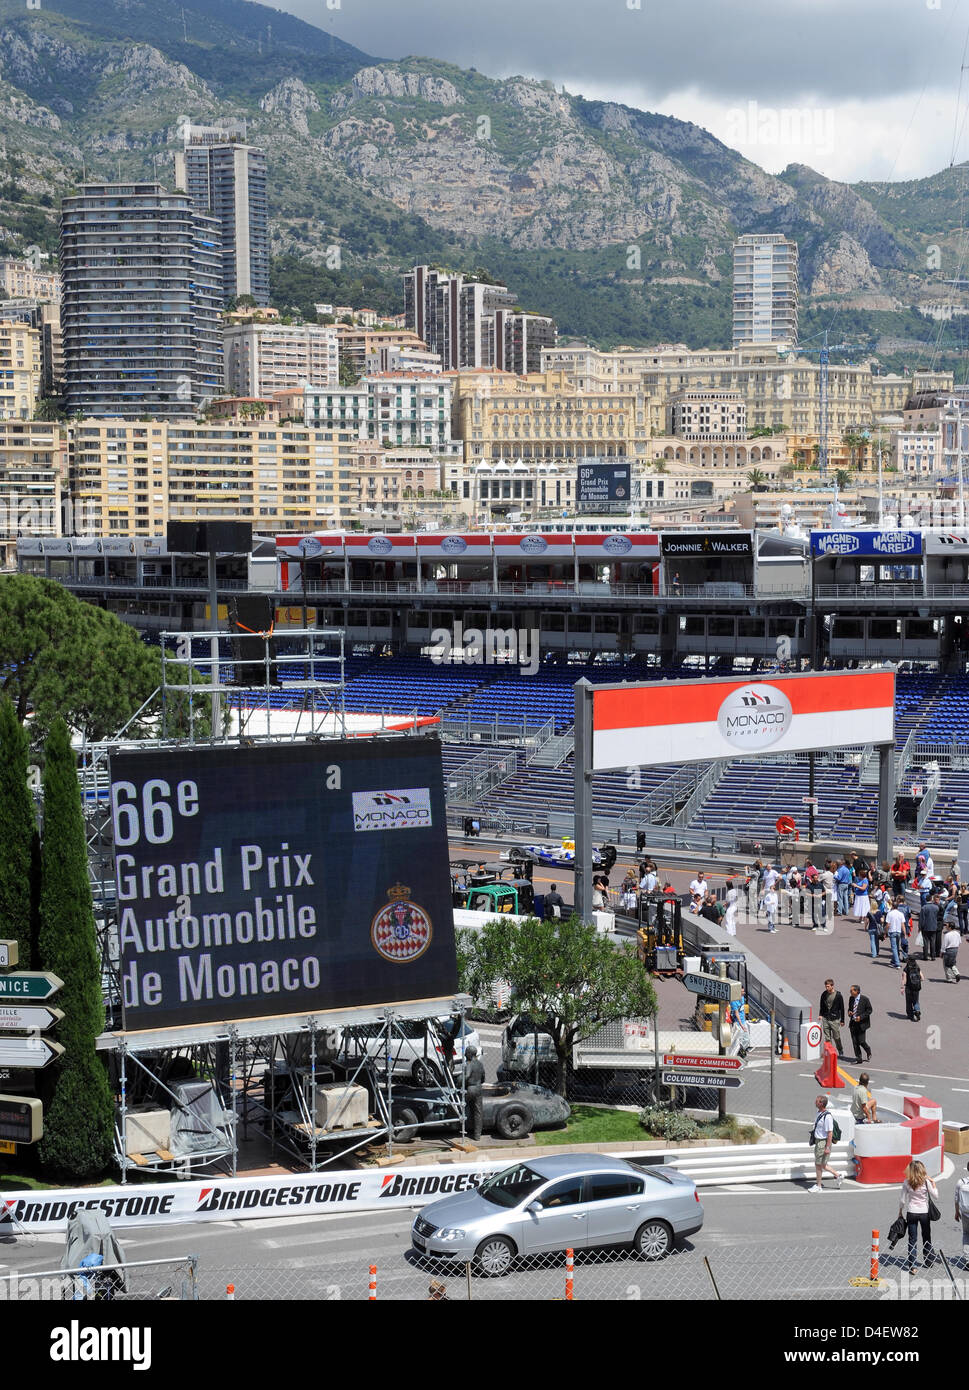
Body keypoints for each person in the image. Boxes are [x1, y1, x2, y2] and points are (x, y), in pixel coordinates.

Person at [898, 1159, 938, 1273]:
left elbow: (902, 1200)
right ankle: (929, 1261)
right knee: (926, 1237)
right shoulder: (926, 1182)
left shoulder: (907, 1182)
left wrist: (900, 1212)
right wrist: (933, 1183)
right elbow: (936, 1196)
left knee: (912, 1239)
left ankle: (913, 1266)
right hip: (924, 1213)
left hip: (911, 1212)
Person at [809, 1095, 844, 1193]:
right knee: (823, 1164)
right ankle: (838, 1176)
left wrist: (827, 1147)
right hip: (819, 1141)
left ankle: (818, 1185)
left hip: (822, 1142)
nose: (815, 1102)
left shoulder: (827, 1116)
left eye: (817, 1101)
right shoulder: (819, 1113)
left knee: (818, 1164)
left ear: (821, 1103)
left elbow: (830, 1133)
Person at [463, 1045, 486, 1141]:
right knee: (478, 1112)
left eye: (466, 1053)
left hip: (471, 1089)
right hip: (479, 1089)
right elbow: (483, 1078)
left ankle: (458, 1128)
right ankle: (477, 1135)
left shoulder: (469, 1064)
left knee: (460, 1106)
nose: (464, 1054)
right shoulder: (480, 1064)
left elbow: (467, 1076)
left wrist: (459, 1082)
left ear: (469, 1054)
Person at [819, 979, 845, 1057]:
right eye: (826, 986)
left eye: (828, 986)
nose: (826, 988)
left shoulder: (838, 995)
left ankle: (840, 1050)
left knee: (836, 1037)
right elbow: (822, 1006)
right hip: (826, 1018)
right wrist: (820, 1014)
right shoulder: (824, 994)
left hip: (835, 1019)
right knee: (827, 1037)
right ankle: (829, 1052)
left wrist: (842, 1020)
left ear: (832, 986)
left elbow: (842, 1008)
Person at [847, 984, 873, 1063]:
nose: (850, 992)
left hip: (861, 1024)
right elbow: (850, 1008)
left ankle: (868, 1050)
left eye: (852, 990)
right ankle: (859, 1058)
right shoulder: (851, 998)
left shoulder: (865, 999)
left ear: (857, 991)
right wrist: (849, 1012)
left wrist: (860, 1017)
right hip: (853, 1023)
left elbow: (869, 1010)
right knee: (855, 1042)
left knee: (861, 1041)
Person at [885, 896, 907, 969]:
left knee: (894, 947)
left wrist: (885, 932)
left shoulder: (890, 914)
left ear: (892, 906)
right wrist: (905, 933)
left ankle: (897, 963)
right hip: (898, 932)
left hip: (892, 931)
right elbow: (903, 925)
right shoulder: (901, 914)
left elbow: (888, 925)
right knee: (896, 947)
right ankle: (893, 960)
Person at [901, 955, 923, 1022]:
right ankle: (917, 1011)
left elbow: (904, 979)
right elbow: (922, 978)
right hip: (916, 988)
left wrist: (902, 987)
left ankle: (910, 1015)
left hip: (909, 988)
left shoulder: (906, 969)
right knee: (916, 1001)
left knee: (909, 1002)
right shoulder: (917, 967)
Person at [920, 892, 941, 962]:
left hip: (925, 926)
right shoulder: (936, 907)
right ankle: (933, 956)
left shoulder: (924, 907)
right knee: (933, 941)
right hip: (934, 926)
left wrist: (920, 927)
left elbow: (922, 919)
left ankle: (925, 956)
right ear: (931, 899)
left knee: (925, 942)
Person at [955, 1160, 969, 1262]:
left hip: (965, 1213)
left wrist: (957, 1212)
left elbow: (956, 1199)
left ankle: (967, 1259)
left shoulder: (961, 1182)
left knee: (966, 1234)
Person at [942, 918, 961, 982]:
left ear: (950, 927)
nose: (946, 927)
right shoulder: (957, 933)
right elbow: (959, 942)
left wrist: (942, 952)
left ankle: (949, 978)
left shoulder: (947, 935)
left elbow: (944, 944)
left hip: (948, 950)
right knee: (952, 962)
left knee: (946, 964)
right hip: (955, 949)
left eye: (947, 926)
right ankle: (956, 973)